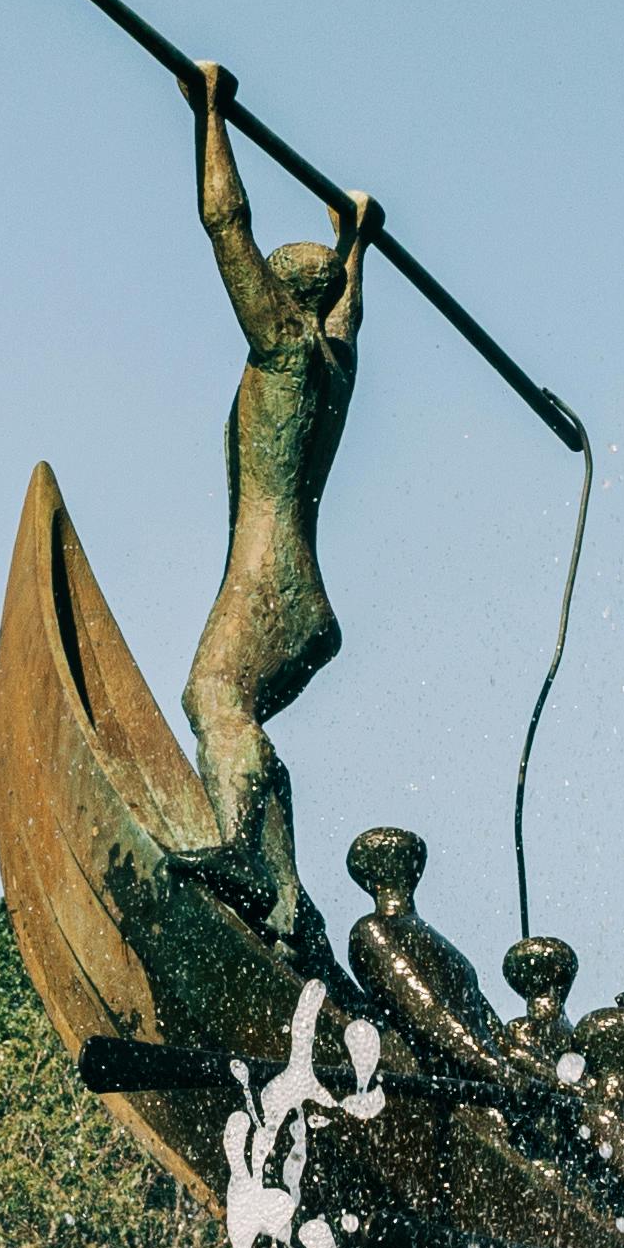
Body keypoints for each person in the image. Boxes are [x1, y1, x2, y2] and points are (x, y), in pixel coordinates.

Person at [178, 62, 378, 936]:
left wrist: (210, 116)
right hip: (308, 599)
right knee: (242, 715)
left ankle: (238, 846)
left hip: (272, 575)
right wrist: (358, 238)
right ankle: (287, 890)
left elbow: (227, 224)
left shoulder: (288, 350)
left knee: (212, 700)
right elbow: (353, 314)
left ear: (284, 292)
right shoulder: (338, 361)